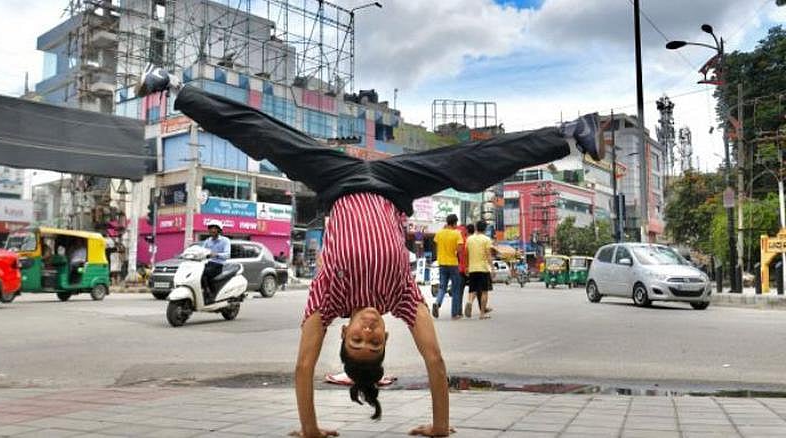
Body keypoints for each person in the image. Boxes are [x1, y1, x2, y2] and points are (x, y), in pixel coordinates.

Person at [135, 65, 603, 438]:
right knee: (468, 166)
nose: (367, 332)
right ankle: (569, 133)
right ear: (385, 337)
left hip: (336, 179)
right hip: (393, 184)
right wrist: (440, 428)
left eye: (357, 339)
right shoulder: (401, 297)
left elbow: (302, 368)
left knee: (266, 136)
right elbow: (436, 363)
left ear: (342, 336)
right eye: (375, 341)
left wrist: (311, 430)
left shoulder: (327, 301)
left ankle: (173, 87)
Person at [432, 214, 464, 320]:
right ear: (454, 223)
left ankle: (437, 303)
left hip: (442, 263)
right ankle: (454, 314)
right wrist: (454, 252)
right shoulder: (457, 234)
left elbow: (436, 246)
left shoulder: (439, 233)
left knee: (442, 287)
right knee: (455, 289)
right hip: (453, 264)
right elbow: (459, 249)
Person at [465, 221, 493, 319]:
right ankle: (481, 314)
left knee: (473, 290)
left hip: (472, 269)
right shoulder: (486, 239)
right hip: (483, 269)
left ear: (476, 228)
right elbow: (488, 255)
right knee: (484, 291)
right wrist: (492, 268)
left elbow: (467, 254)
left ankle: (469, 302)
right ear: (485, 229)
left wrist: (467, 266)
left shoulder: (469, 239)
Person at [201, 220, 231, 304]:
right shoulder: (207, 241)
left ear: (219, 230)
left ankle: (211, 294)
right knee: (197, 273)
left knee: (205, 273)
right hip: (208, 263)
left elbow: (227, 254)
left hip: (219, 264)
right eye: (211, 228)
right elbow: (201, 251)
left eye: (215, 228)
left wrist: (216, 255)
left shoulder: (225, 241)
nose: (212, 230)